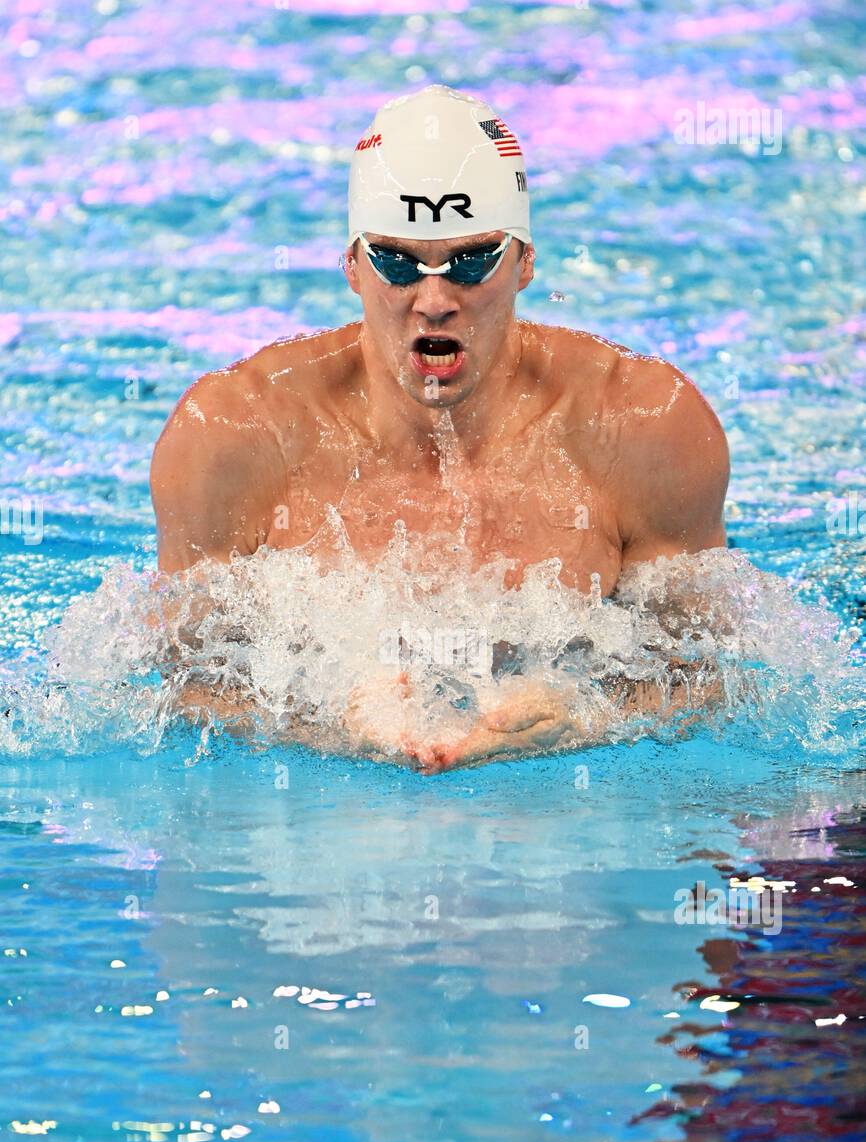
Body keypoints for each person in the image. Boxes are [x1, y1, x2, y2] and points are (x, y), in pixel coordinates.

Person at [150, 85, 729, 772]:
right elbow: (186, 687)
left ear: (524, 262)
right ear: (352, 265)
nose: (433, 301)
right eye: (397, 262)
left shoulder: (642, 429)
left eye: (471, 261)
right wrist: (330, 721)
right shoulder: (234, 436)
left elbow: (706, 680)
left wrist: (579, 716)